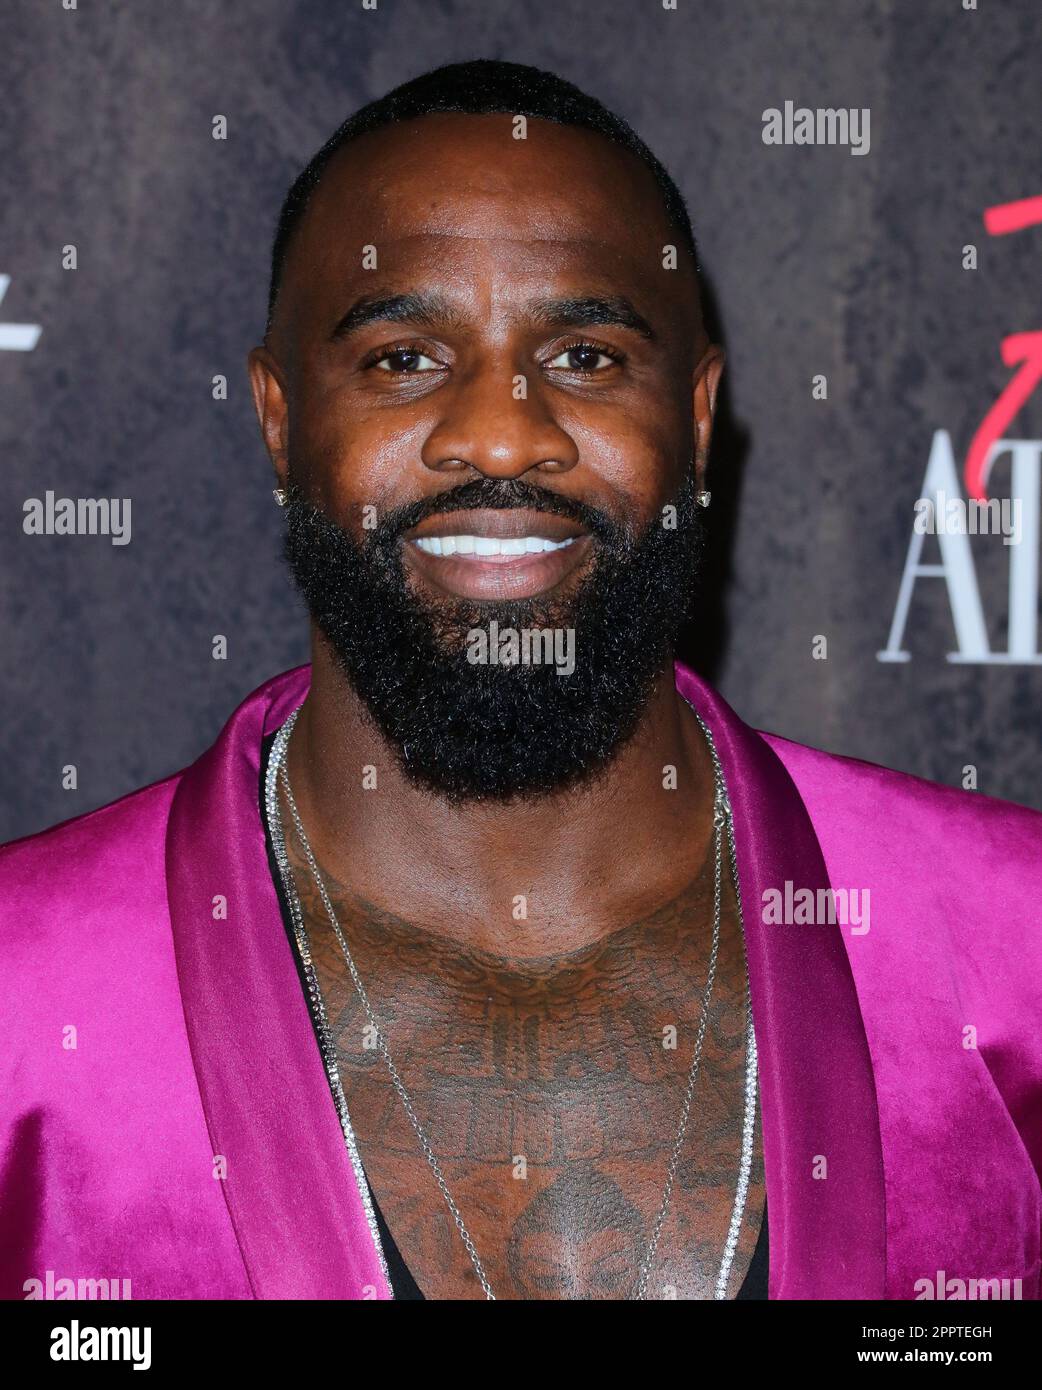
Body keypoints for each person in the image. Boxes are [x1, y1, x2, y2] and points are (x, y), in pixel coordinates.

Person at [2, 60, 1039, 1303]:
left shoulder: (1009, 945)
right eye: (401, 358)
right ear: (280, 421)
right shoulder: (26, 997)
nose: (500, 434)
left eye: (587, 354)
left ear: (697, 418)